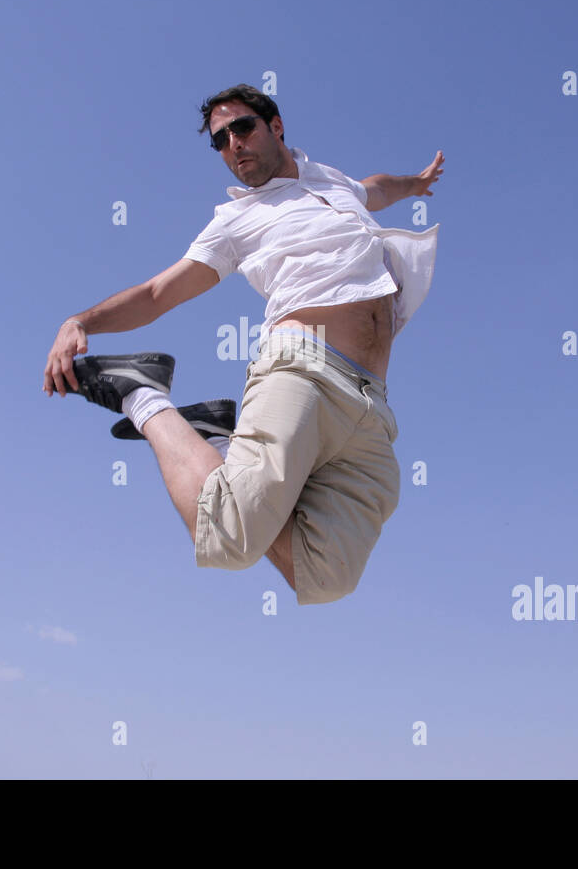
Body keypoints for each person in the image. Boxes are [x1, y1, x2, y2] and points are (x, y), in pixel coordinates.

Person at [43, 84, 443, 604]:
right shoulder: (235, 220)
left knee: (325, 579)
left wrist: (416, 183)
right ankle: (141, 395)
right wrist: (81, 320)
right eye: (219, 140)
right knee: (230, 536)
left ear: (275, 126)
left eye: (242, 127)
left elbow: (377, 188)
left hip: (371, 401)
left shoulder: (332, 182)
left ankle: (214, 438)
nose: (232, 144)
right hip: (302, 370)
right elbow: (159, 292)